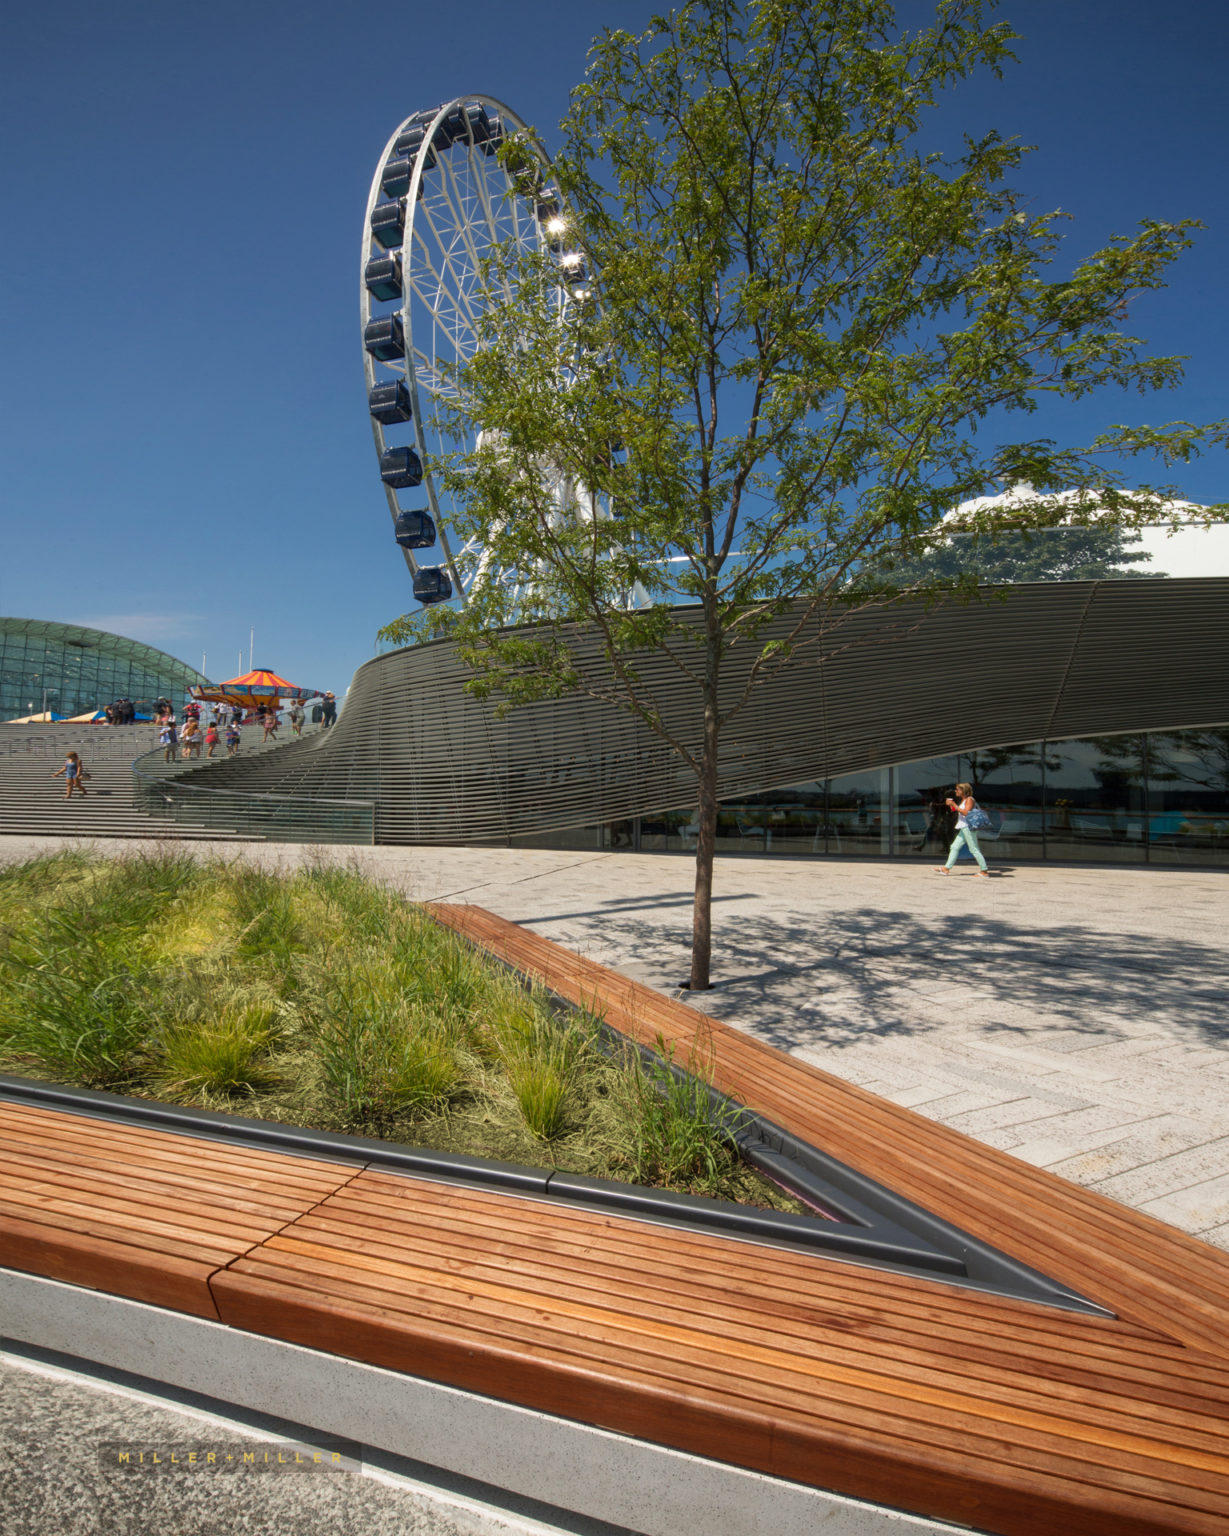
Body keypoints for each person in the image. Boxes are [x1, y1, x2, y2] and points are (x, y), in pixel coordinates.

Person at [936, 782, 990, 877]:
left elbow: (966, 813)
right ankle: (946, 869)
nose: (955, 791)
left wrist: (954, 804)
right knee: (954, 847)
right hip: (963, 827)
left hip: (968, 827)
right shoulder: (964, 800)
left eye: (958, 789)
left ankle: (984, 871)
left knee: (974, 849)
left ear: (964, 791)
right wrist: (950, 805)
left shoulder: (969, 799)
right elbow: (959, 811)